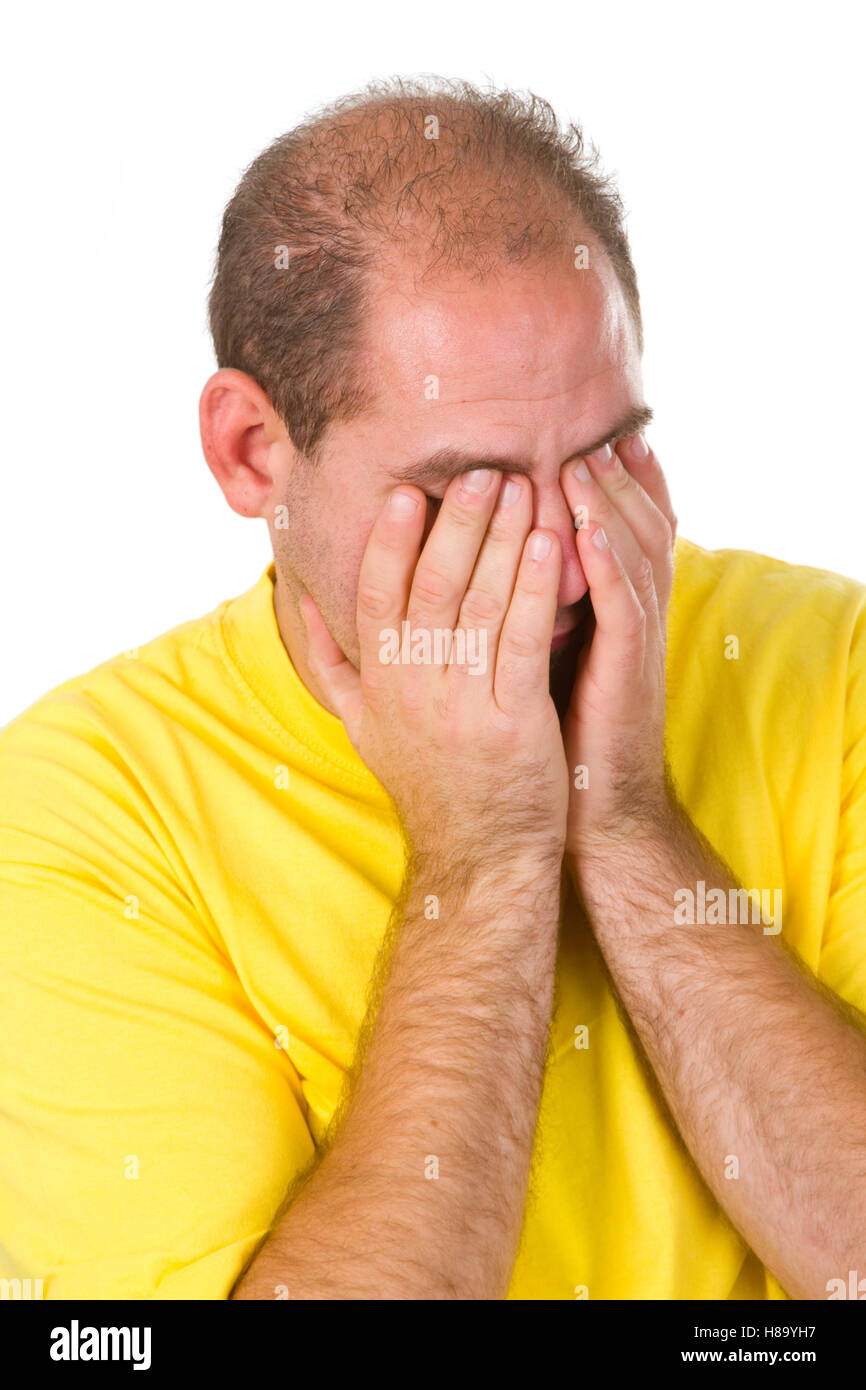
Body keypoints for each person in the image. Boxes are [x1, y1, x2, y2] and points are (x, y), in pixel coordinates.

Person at [2, 77, 866, 1302]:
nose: (568, 557)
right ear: (252, 453)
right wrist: (485, 853)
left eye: (603, 452)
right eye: (472, 488)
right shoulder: (75, 818)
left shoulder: (827, 662)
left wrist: (622, 820)